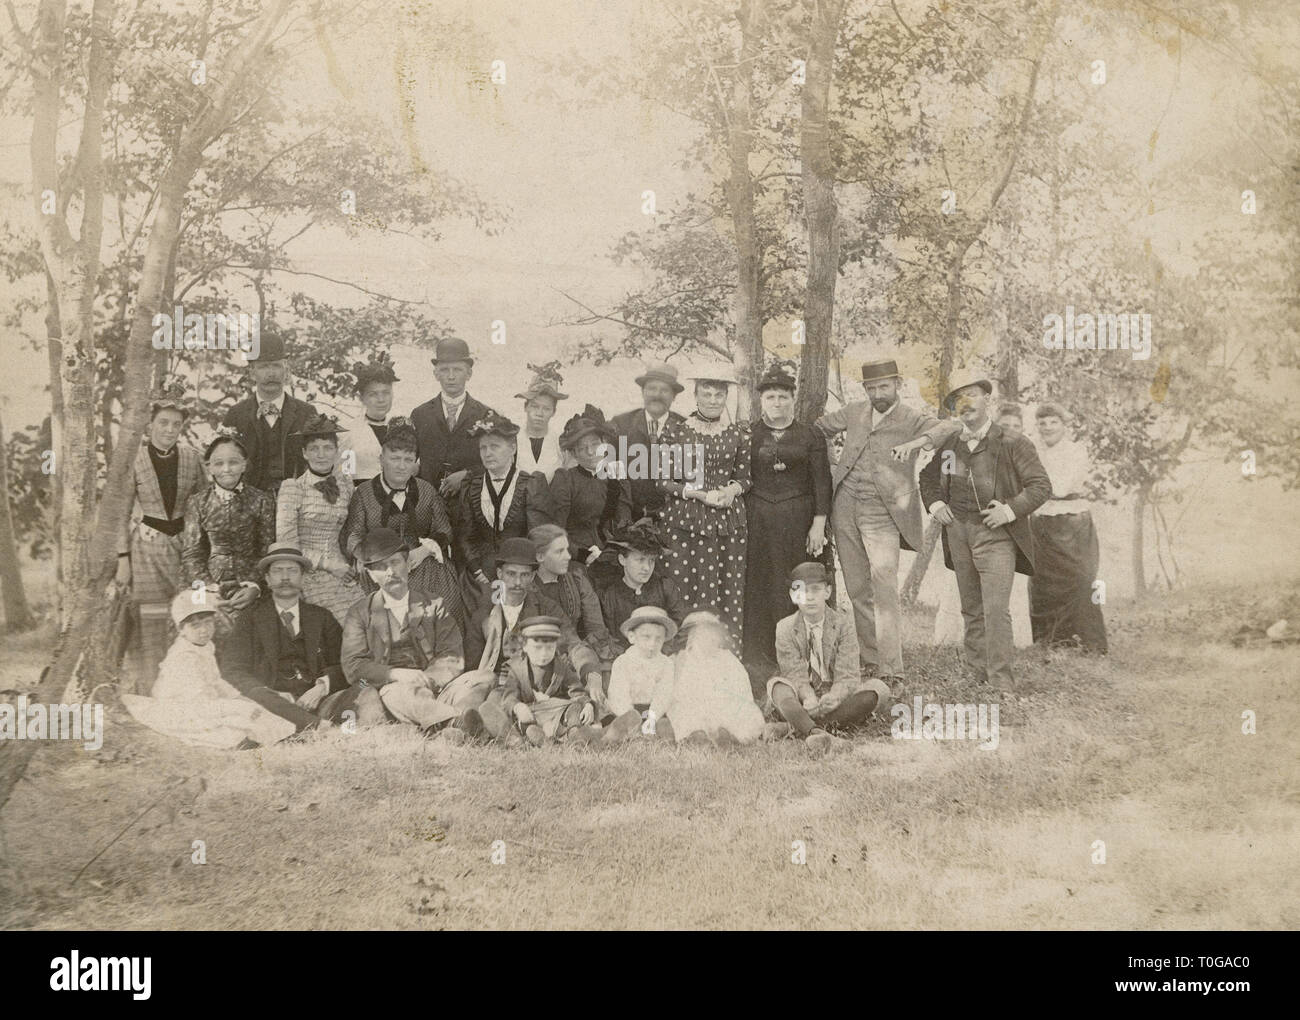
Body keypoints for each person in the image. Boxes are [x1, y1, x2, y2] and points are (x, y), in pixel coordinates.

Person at [815, 359, 961, 685]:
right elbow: (818, 429)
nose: (878, 393)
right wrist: (832, 462)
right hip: (845, 508)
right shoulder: (854, 411)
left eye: (884, 386)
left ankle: (891, 669)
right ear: (864, 389)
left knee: (885, 590)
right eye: (871, 388)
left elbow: (951, 428)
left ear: (898, 384)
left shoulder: (911, 417)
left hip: (883, 513)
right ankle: (869, 661)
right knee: (856, 590)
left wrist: (916, 443)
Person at [918, 374, 1051, 686]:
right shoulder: (951, 443)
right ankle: (977, 674)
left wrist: (1008, 510)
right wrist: (936, 506)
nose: (966, 404)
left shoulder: (1013, 442)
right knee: (971, 608)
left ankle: (1001, 680)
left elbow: (1041, 486)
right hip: (958, 533)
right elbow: (927, 478)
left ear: (987, 401)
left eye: (972, 395)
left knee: (995, 609)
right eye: (959, 400)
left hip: (996, 537)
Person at [327, 529, 491, 742]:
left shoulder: (434, 604)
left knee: (483, 678)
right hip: (391, 690)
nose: (390, 572)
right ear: (370, 575)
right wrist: (394, 674)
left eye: (395, 562)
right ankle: (457, 722)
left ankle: (447, 724)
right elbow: (353, 666)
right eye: (380, 567)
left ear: (408, 563)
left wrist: (427, 680)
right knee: (403, 693)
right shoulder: (359, 613)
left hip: (433, 686)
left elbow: (452, 655)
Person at [120, 592, 297, 749]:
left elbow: (216, 682)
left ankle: (283, 737)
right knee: (239, 729)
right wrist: (239, 706)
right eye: (195, 626)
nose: (204, 630)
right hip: (185, 708)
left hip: (205, 702)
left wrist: (240, 698)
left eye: (207, 622)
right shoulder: (184, 657)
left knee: (259, 713)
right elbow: (199, 704)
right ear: (181, 629)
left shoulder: (204, 646)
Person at [742, 363, 832, 672]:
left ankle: (804, 657)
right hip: (759, 520)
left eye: (782, 396)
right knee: (760, 582)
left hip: (798, 520)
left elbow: (822, 481)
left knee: (797, 581)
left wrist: (819, 523)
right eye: (770, 397)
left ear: (793, 398)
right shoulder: (750, 434)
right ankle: (761, 658)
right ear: (761, 401)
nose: (777, 403)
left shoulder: (810, 435)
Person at [656, 365, 751, 648]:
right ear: (695, 396)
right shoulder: (676, 430)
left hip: (728, 520)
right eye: (706, 394)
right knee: (684, 585)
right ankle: (681, 654)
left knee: (727, 587)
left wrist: (732, 490)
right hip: (685, 518)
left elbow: (746, 478)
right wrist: (698, 494)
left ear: (726, 398)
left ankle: (725, 656)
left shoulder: (738, 433)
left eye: (718, 395)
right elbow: (661, 480)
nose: (712, 400)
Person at [340, 416, 465, 631]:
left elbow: (444, 529)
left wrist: (422, 551)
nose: (401, 466)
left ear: (415, 463)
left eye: (408, 460)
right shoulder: (364, 493)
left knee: (443, 603)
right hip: (378, 563)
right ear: (381, 459)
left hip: (420, 561)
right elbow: (353, 533)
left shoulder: (426, 490)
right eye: (394, 458)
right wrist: (364, 556)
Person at [117, 396, 206, 691]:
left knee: (187, 616)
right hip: (147, 548)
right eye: (163, 422)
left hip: (185, 549)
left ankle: (186, 686)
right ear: (150, 424)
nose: (169, 429)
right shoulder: (133, 459)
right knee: (152, 620)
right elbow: (120, 511)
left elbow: (204, 503)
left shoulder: (192, 457)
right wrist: (122, 559)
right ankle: (151, 688)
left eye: (176, 424)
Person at [220, 545, 347, 733]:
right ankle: (315, 727)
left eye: (292, 571)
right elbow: (233, 670)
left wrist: (322, 687)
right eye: (278, 571)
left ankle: (324, 727)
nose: (285, 577)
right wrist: (267, 694)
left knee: (361, 692)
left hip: (319, 702)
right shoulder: (249, 619)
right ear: (267, 580)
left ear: (303, 578)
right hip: (271, 705)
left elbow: (346, 664)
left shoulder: (322, 617)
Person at [766, 562, 891, 751]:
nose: (809, 597)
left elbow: (847, 673)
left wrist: (835, 696)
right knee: (777, 687)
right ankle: (818, 732)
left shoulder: (844, 624)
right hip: (801, 699)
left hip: (834, 697)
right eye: (801, 590)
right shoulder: (785, 627)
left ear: (827, 592)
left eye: (815, 590)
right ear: (793, 596)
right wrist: (808, 698)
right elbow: (794, 673)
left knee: (877, 690)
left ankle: (797, 728)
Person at [463, 538, 602, 693]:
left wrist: (591, 674)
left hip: (534, 690)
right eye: (511, 574)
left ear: (532, 576)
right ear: (499, 573)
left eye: (524, 575)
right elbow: (472, 663)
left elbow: (574, 645)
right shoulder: (485, 610)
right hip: (491, 688)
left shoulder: (547, 608)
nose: (517, 582)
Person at [1028, 402, 1108, 653]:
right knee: (1043, 580)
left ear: (1064, 425)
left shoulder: (1076, 451)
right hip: (1042, 519)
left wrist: (1035, 487)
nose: (1048, 427)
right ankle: (1054, 640)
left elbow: (1061, 486)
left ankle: (1092, 642)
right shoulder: (1033, 451)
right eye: (1043, 423)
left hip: (1072, 520)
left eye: (1054, 422)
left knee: (1081, 578)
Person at [454, 411, 550, 614]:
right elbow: (465, 535)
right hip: (480, 573)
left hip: (521, 570)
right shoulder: (471, 485)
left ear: (513, 449)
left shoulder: (530, 484)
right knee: (479, 617)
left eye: (494, 447)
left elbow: (537, 536)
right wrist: (478, 572)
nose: (487, 453)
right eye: (483, 448)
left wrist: (519, 573)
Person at [181, 433, 276, 626]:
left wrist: (254, 586)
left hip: (251, 584)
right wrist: (207, 589)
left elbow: (267, 549)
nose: (226, 469)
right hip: (208, 585)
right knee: (201, 623)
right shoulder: (197, 502)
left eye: (233, 462)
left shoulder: (262, 500)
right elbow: (192, 554)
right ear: (209, 468)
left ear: (244, 464)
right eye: (218, 463)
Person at [276, 413, 361, 623]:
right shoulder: (293, 487)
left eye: (327, 447)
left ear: (336, 450)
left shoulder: (346, 486)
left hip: (344, 567)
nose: (321, 455)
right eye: (314, 448)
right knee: (337, 621)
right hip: (308, 569)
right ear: (304, 453)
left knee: (366, 617)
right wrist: (329, 565)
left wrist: (357, 558)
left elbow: (353, 529)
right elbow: (287, 545)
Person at [643, 610, 764, 746]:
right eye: (703, 634)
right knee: (687, 718)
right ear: (690, 637)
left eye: (713, 634)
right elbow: (668, 693)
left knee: (744, 717)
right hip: (691, 707)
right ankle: (697, 738)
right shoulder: (678, 660)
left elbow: (742, 691)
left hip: (723, 706)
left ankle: (729, 738)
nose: (710, 639)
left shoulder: (727, 659)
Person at [221, 328, 318, 496]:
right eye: (264, 366)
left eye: (276, 366)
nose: (271, 373)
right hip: (247, 506)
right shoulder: (236, 414)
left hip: (296, 502)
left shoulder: (306, 412)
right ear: (252, 372)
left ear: (285, 370)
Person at [547, 409, 631, 588]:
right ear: (574, 454)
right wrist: (583, 554)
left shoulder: (616, 476)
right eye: (582, 448)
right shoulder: (565, 479)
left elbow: (624, 521)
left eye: (594, 444)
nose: (590, 452)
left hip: (609, 549)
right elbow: (556, 530)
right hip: (574, 553)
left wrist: (614, 550)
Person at [497, 616, 602, 746]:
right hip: (532, 714)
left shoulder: (561, 667)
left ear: (556, 646)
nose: (544, 654)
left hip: (556, 714)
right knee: (522, 723)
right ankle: (539, 738)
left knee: (574, 707)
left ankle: (575, 734)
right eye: (537, 648)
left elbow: (577, 692)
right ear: (524, 646)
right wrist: (518, 707)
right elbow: (509, 697)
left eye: (549, 648)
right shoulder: (516, 669)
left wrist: (587, 705)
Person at [410, 336, 494, 496]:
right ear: (436, 374)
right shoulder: (420, 414)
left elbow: (495, 461)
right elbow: (411, 457)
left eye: (457, 369)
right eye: (444, 370)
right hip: (429, 501)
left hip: (471, 502)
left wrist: (467, 475)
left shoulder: (485, 414)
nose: (451, 376)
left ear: (468, 373)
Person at [608, 361, 687, 522]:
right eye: (652, 388)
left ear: (674, 396)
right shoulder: (622, 425)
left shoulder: (686, 428)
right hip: (628, 519)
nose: (657, 395)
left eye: (664, 390)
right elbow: (611, 478)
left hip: (672, 521)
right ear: (643, 392)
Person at [530, 524, 620, 665]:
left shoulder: (577, 581)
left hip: (576, 657)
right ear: (540, 556)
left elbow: (595, 628)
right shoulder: (525, 587)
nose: (568, 556)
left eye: (567, 549)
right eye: (560, 551)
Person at [597, 522, 688, 654]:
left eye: (651, 561)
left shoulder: (665, 587)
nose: (646, 568)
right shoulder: (608, 597)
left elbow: (680, 627)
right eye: (640, 560)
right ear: (622, 560)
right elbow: (608, 639)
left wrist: (661, 653)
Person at [602, 606, 677, 743]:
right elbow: (618, 695)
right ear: (632, 637)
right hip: (627, 712)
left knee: (665, 726)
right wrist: (629, 715)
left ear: (665, 639)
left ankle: (656, 740)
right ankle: (622, 737)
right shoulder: (623, 662)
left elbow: (664, 694)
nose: (652, 644)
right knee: (621, 725)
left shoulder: (666, 664)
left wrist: (653, 718)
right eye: (646, 637)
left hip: (654, 712)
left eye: (658, 639)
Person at [344, 358, 400, 483]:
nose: (381, 399)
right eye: (373, 394)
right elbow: (344, 477)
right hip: (361, 497)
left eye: (386, 393)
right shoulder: (349, 432)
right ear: (361, 398)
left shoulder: (401, 428)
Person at [514, 364, 569, 481]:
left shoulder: (561, 445)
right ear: (525, 407)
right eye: (534, 406)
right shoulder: (512, 440)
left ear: (554, 412)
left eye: (546, 409)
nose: (539, 413)